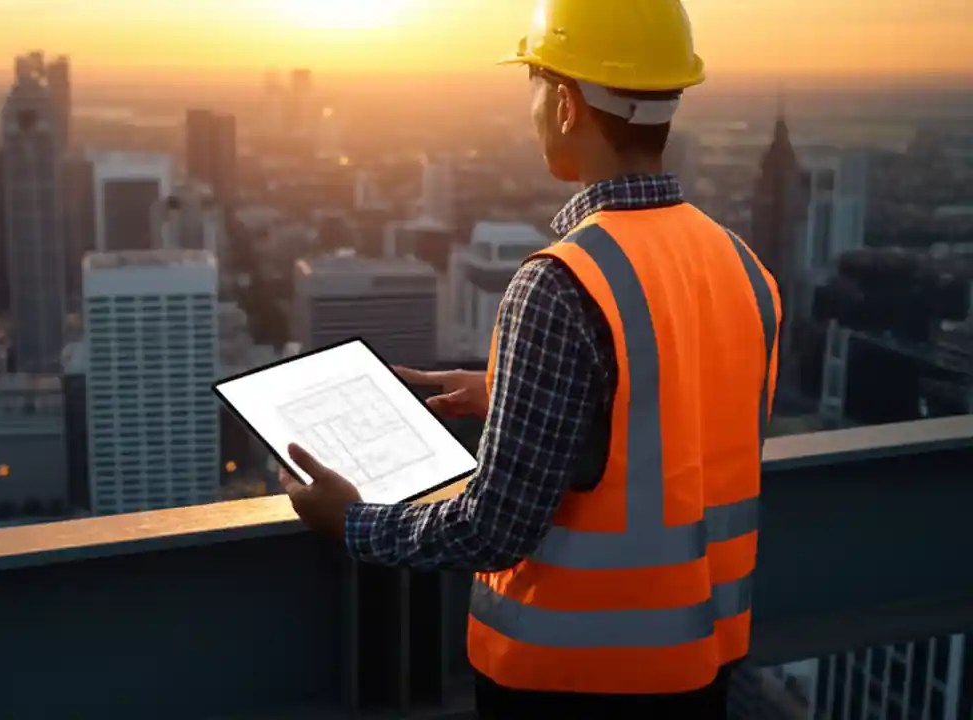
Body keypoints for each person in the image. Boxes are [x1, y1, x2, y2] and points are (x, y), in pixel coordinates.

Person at [277, 0, 783, 717]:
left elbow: (495, 528)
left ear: (568, 103)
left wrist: (352, 521)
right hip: (699, 667)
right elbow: (674, 412)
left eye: (537, 84)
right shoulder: (743, 267)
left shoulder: (561, 282)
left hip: (570, 683)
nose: (533, 108)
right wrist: (511, 393)